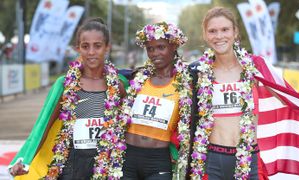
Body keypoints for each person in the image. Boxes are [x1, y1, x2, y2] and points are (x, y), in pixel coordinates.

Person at [8, 17, 128, 179]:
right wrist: (25, 159)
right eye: (85, 46)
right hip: (72, 165)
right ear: (78, 48)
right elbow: (43, 126)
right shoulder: (65, 84)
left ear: (107, 48)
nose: (91, 52)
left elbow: (130, 127)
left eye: (97, 46)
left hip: (106, 166)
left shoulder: (118, 85)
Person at [188, 7, 270, 179]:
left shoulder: (255, 67)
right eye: (213, 31)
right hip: (213, 159)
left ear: (235, 32)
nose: (219, 36)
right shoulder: (197, 72)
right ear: (205, 35)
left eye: (225, 29)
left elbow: (287, 96)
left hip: (249, 158)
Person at [117, 22, 193, 180]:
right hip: (128, 157)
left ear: (173, 47)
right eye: (150, 49)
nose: (155, 53)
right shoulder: (137, 78)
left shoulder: (185, 83)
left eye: (161, 47)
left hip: (158, 160)